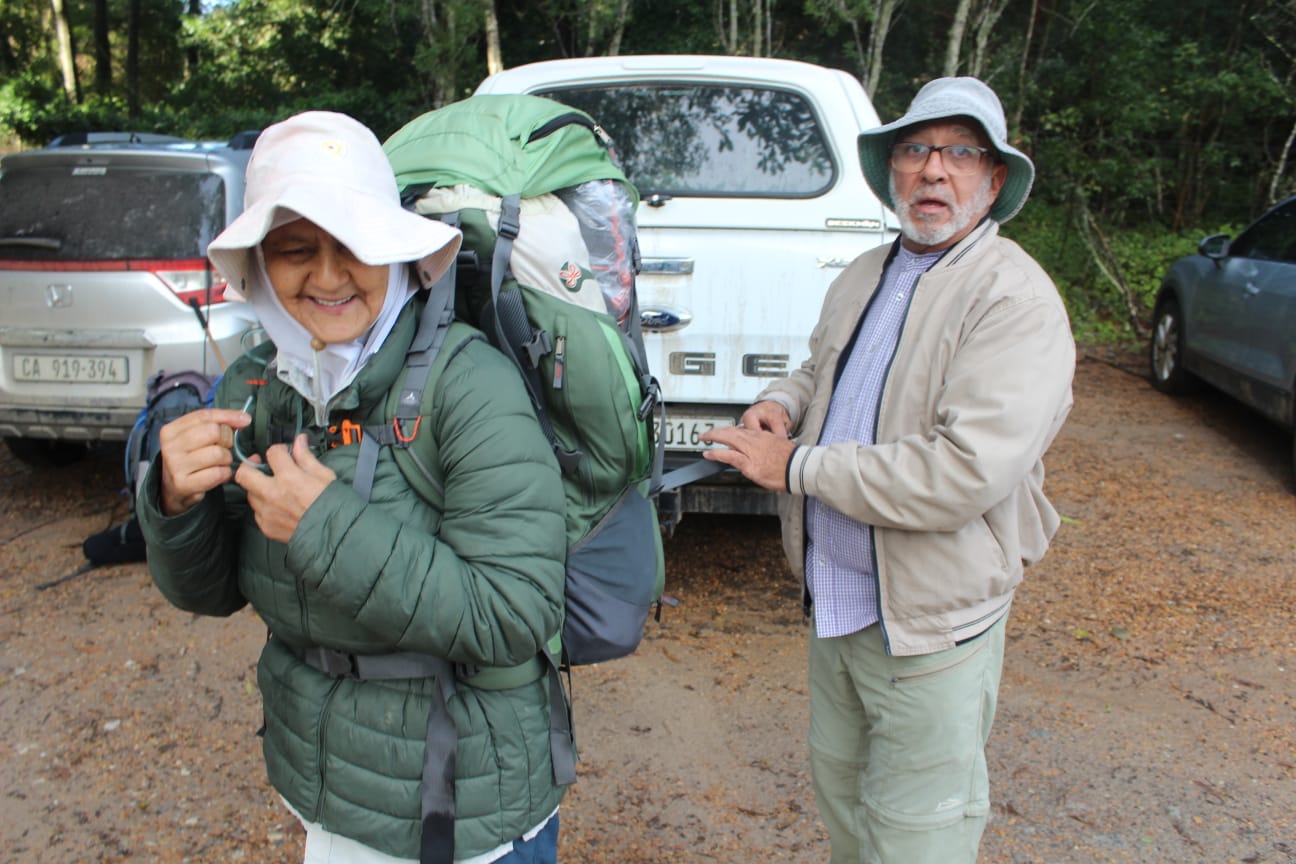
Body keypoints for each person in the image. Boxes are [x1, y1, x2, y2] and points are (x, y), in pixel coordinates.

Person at [136, 111, 570, 864]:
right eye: (296, 250)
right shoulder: (263, 383)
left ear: (397, 253)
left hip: (467, 815)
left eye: (354, 247)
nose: (329, 277)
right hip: (330, 791)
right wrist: (174, 501)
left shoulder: (469, 386)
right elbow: (209, 592)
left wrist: (324, 527)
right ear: (260, 266)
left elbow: (517, 611)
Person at [701, 77, 1075, 863]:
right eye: (915, 149)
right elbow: (822, 371)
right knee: (846, 808)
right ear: (892, 168)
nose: (935, 170)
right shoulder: (867, 270)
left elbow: (961, 472)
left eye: (961, 152)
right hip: (837, 606)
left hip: (931, 626)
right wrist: (782, 404)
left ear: (995, 179)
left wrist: (794, 464)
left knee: (916, 837)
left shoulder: (1015, 301)